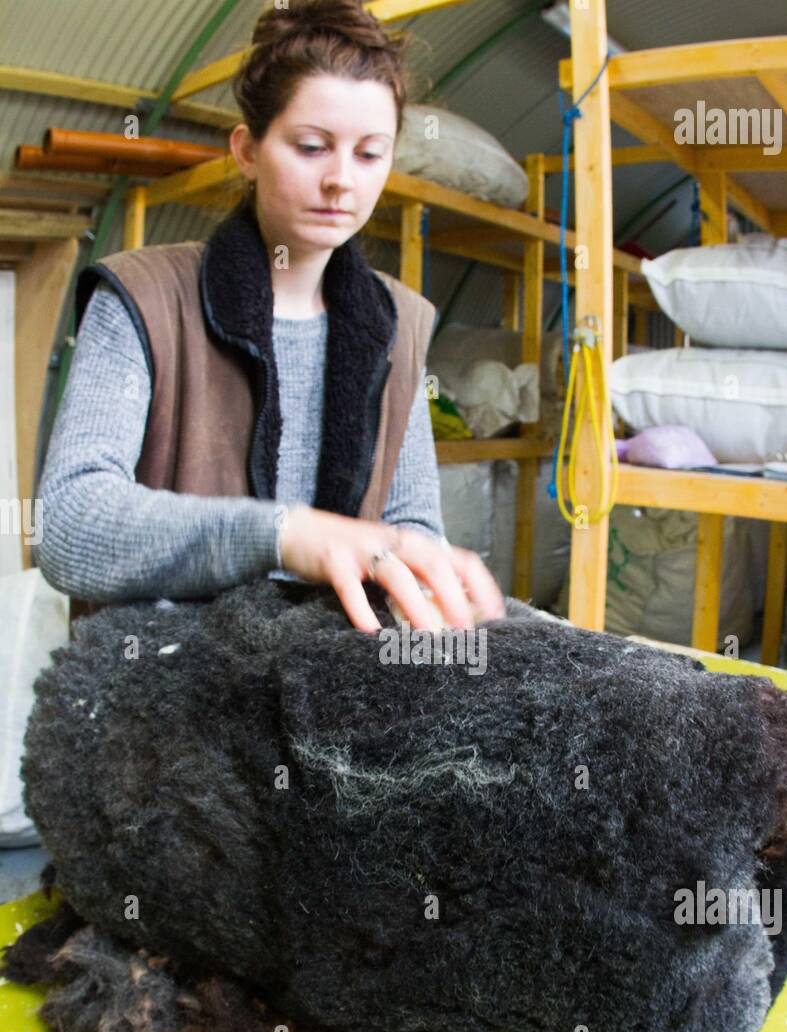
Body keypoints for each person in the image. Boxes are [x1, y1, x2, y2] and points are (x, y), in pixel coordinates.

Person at [34, 0, 506, 634]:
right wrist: (287, 535)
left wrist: (428, 574)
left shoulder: (400, 323)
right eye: (312, 147)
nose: (342, 180)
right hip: (168, 691)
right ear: (248, 150)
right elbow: (70, 525)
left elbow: (410, 524)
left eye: (370, 155)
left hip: (324, 683)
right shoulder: (144, 298)